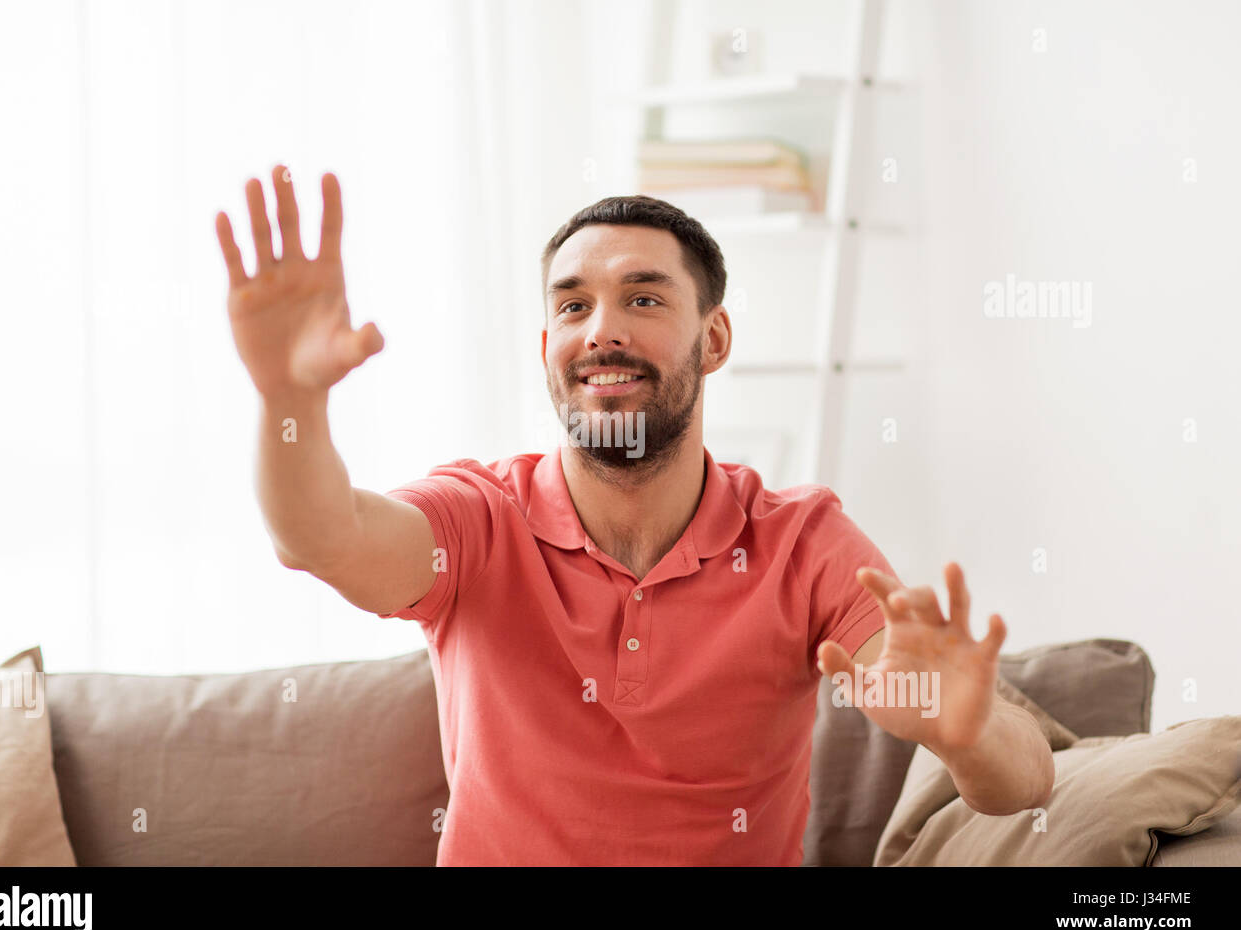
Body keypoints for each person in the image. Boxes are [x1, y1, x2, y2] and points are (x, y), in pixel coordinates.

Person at [214, 166, 1054, 866]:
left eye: (644, 300)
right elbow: (321, 536)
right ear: (546, 344)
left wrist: (968, 735)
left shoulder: (801, 541)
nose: (601, 331)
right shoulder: (479, 520)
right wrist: (289, 398)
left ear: (714, 340)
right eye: (572, 306)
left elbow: (1024, 782)